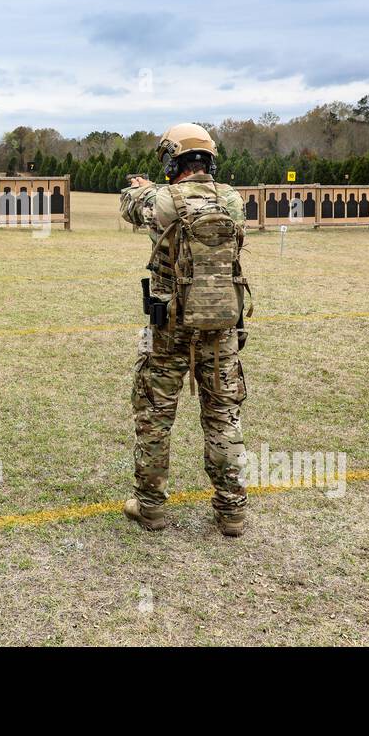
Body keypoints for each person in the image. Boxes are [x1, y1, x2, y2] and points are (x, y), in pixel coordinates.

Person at [118, 123, 253, 535]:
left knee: (156, 418)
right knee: (223, 418)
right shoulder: (232, 200)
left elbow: (131, 205)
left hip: (169, 330)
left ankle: (151, 507)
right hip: (222, 330)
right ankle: (231, 511)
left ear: (173, 160)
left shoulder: (161, 200)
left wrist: (142, 187)